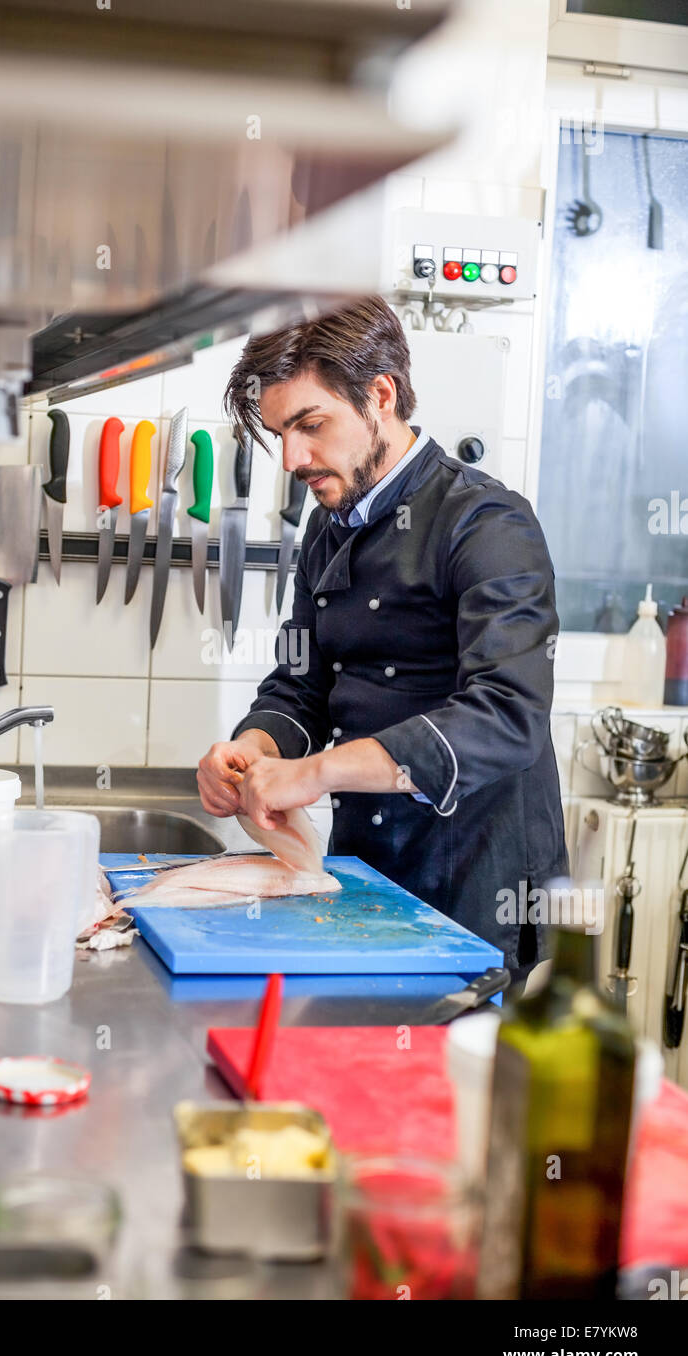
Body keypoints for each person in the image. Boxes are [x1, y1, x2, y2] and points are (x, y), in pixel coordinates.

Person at [197, 297, 568, 979]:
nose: (292, 458)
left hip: (475, 886)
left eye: (311, 424)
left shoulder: (486, 523)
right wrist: (251, 751)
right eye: (280, 432)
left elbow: (508, 716)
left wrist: (311, 774)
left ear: (381, 395)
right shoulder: (327, 527)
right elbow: (301, 685)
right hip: (363, 871)